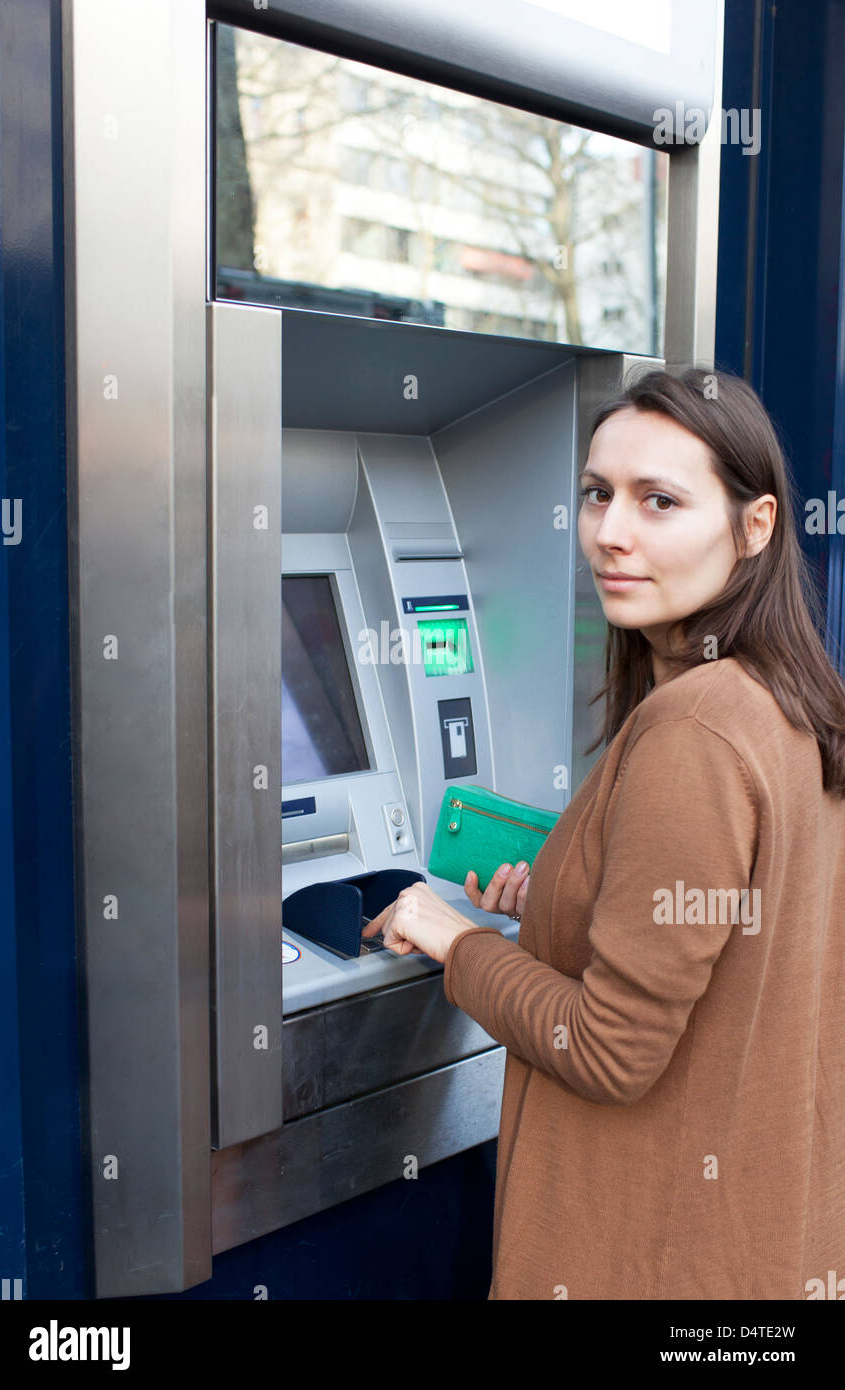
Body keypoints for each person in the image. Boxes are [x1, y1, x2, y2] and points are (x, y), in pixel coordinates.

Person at [362, 364, 845, 1300]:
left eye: (659, 500)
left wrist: (450, 937)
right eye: (597, 494)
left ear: (756, 526)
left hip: (650, 1260)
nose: (610, 533)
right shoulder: (789, 708)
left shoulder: (692, 732)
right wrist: (571, 900)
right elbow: (749, 944)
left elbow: (612, 1050)